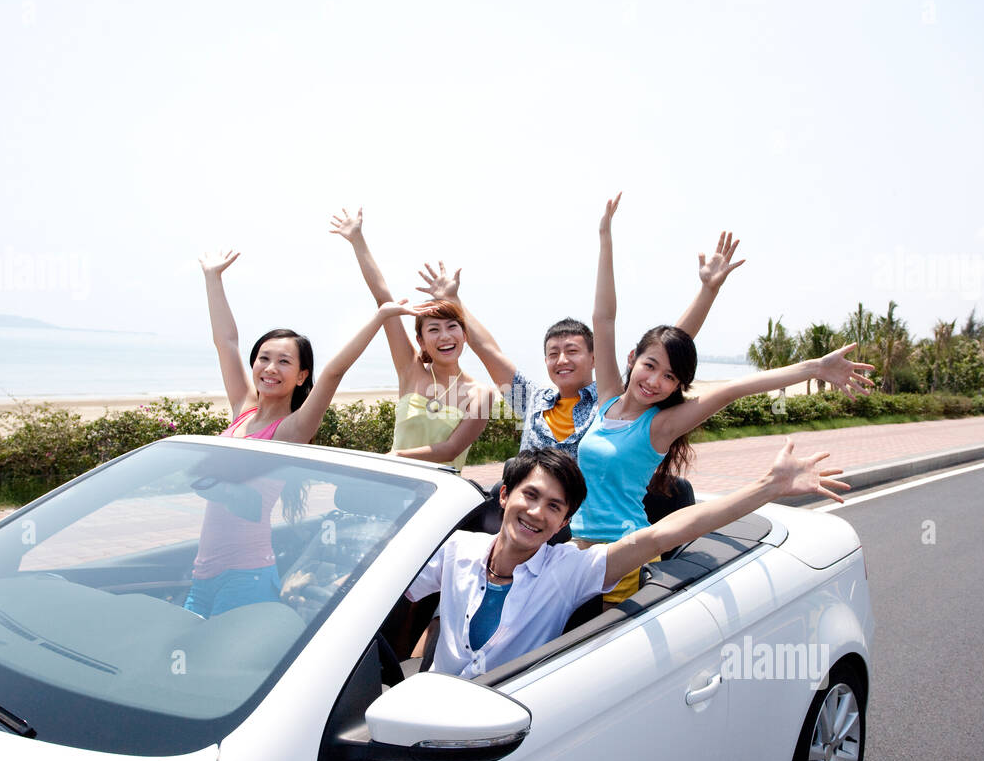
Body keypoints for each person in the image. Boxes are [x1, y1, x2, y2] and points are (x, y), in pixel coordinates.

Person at [573, 204, 876, 604]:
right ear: (633, 358)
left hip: (622, 557)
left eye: (670, 377)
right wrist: (605, 237)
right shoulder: (609, 398)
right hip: (576, 551)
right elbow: (604, 319)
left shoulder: (659, 426)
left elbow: (734, 388)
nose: (656, 381)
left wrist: (814, 368)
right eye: (650, 366)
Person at [407, 444, 848, 678]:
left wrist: (768, 487)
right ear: (505, 495)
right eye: (530, 495)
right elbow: (382, 592)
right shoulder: (456, 550)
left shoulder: (570, 570)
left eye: (555, 507)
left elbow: (666, 531)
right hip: (425, 710)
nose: (538, 513)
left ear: (565, 521)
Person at [185, 247, 424, 617]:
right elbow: (226, 342)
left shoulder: (291, 430)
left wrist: (379, 318)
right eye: (264, 357)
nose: (270, 367)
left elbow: (332, 372)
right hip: (204, 573)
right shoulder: (243, 409)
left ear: (301, 377)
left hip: (246, 576)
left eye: (284, 362)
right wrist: (213, 279)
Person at [453, 192, 745, 458]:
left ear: (594, 358)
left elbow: (667, 346)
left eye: (571, 350)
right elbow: (487, 350)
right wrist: (454, 300)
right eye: (553, 353)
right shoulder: (531, 400)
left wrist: (708, 291)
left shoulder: (611, 400)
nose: (561, 359)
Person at [330, 209, 494, 468]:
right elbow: (384, 298)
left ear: (464, 335)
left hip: (442, 495)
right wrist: (357, 240)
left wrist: (396, 456)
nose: (444, 336)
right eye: (433, 329)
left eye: (452, 327)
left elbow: (451, 449)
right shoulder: (410, 369)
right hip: (394, 484)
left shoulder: (482, 394)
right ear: (420, 340)